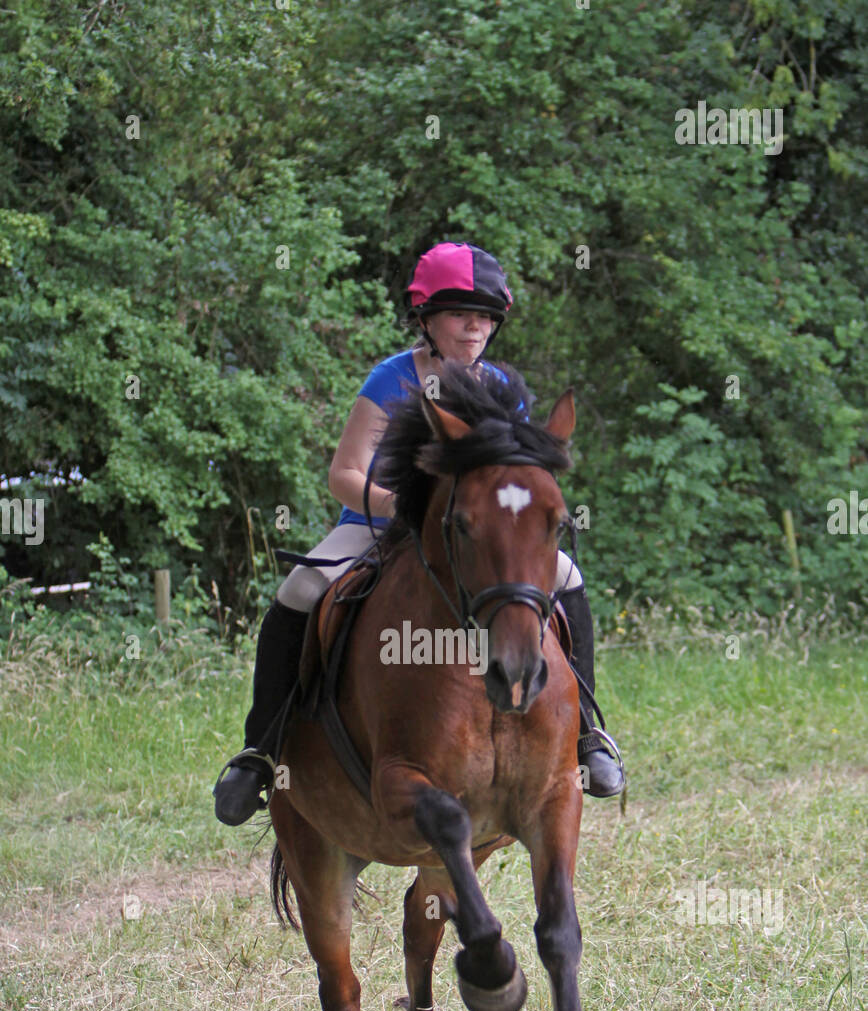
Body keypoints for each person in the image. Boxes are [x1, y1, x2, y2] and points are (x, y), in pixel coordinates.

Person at [214, 241, 625, 825]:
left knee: (568, 577)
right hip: (379, 525)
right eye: (462, 314)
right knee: (302, 587)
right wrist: (402, 511)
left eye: (485, 316)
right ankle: (259, 750)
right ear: (427, 319)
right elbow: (343, 474)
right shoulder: (392, 378)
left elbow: (519, 476)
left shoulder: (504, 388)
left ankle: (588, 734)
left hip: (473, 538)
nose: (475, 327)